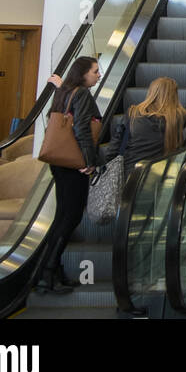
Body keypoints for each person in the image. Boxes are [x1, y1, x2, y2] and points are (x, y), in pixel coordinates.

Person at [34, 55, 105, 295]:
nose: (98, 75)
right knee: (71, 217)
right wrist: (88, 161)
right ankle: (47, 273)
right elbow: (82, 128)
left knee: (62, 216)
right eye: (95, 71)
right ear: (83, 73)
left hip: (59, 161)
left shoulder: (64, 92)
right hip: (75, 163)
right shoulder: (82, 94)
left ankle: (53, 272)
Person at [103, 77, 186, 171]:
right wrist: (178, 109)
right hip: (159, 173)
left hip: (131, 172)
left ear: (151, 92)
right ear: (174, 95)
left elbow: (116, 144)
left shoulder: (132, 113)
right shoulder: (176, 117)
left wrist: (106, 165)